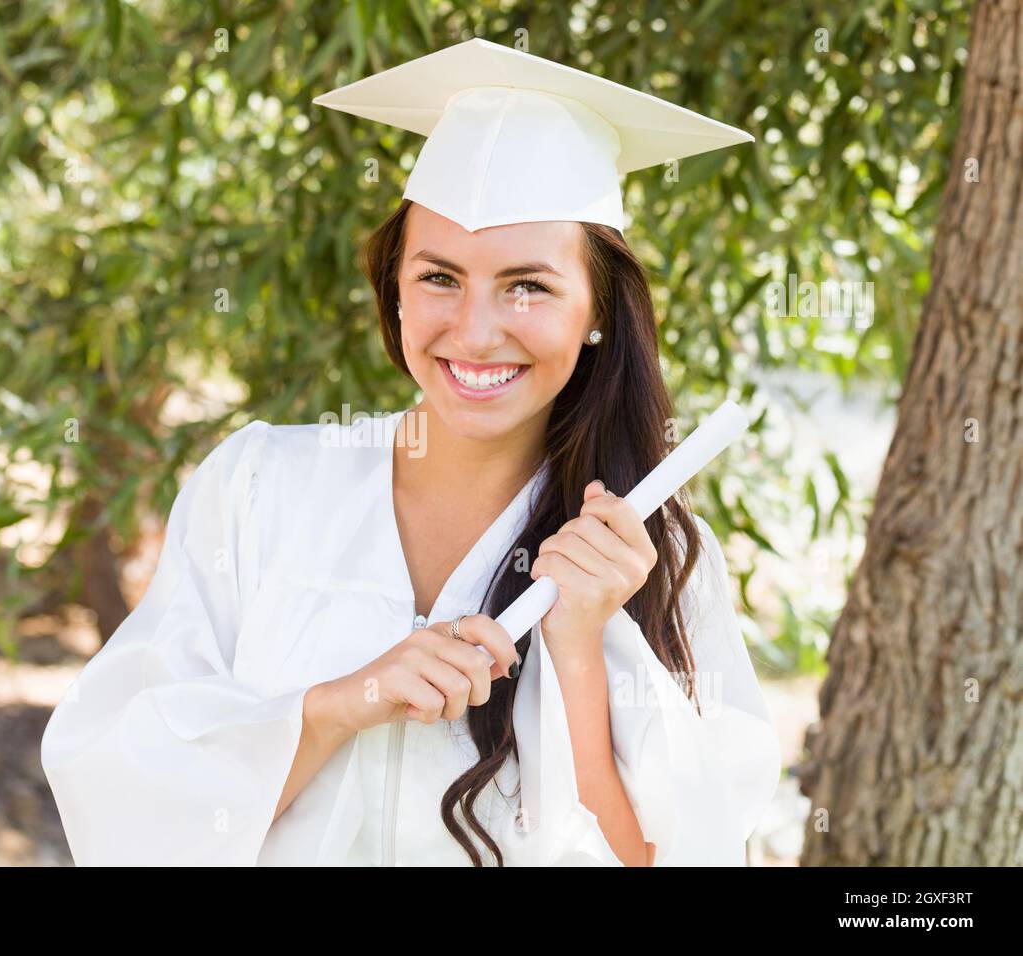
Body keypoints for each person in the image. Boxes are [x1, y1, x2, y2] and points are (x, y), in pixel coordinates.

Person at [41, 37, 782, 867]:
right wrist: (337, 705)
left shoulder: (651, 558)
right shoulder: (259, 489)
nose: (473, 330)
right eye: (439, 278)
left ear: (596, 313)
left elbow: (667, 859)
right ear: (395, 288)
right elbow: (125, 791)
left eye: (527, 286)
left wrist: (579, 644)